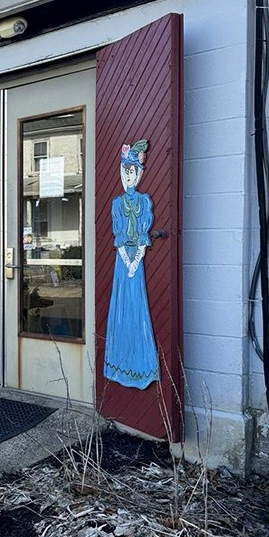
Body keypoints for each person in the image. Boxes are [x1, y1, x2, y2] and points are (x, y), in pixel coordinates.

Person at [104, 140, 160, 389]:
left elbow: (144, 234)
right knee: (120, 309)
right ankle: (118, 362)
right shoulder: (117, 203)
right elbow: (118, 235)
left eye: (133, 171)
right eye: (125, 171)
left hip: (136, 261)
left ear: (139, 173)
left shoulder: (144, 202)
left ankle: (140, 366)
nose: (129, 176)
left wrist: (136, 258)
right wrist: (126, 259)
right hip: (121, 261)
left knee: (137, 307)